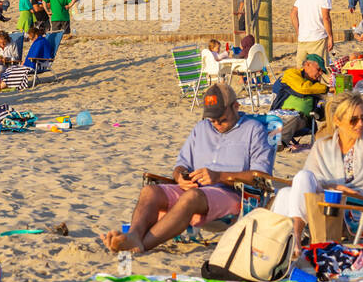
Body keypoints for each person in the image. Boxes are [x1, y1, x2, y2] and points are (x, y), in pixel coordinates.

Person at [102, 83, 274, 255]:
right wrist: (179, 177)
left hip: (231, 194)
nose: (216, 124)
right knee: (149, 191)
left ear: (236, 106)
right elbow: (181, 165)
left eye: (222, 119)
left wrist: (219, 176)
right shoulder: (201, 129)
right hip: (196, 189)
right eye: (212, 120)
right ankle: (134, 235)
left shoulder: (254, 130)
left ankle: (141, 244)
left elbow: (262, 177)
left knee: (191, 197)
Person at [269, 92, 363, 250]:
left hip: (351, 209)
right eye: (353, 120)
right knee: (297, 182)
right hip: (319, 203)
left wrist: (343, 192)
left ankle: (284, 245)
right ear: (337, 121)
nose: (360, 124)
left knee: (286, 193)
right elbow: (308, 183)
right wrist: (331, 187)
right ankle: (291, 242)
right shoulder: (321, 146)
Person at [270, 54, 330, 148]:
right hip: (280, 112)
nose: (320, 73)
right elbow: (302, 88)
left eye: (322, 72)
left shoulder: (317, 87)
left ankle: (278, 143)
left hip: (300, 118)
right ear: (307, 64)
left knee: (293, 119)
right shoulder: (292, 73)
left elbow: (321, 115)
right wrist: (327, 89)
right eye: (318, 69)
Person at [290, 0, 334, 66]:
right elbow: (326, 18)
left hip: (303, 39)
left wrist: (298, 31)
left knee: (301, 69)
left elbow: (293, 14)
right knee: (320, 69)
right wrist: (330, 37)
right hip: (318, 38)